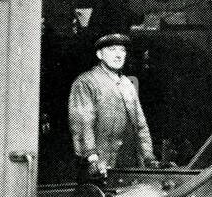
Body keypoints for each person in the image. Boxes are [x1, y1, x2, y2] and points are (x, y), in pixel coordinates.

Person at [68, 32, 158, 178]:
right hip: (100, 165)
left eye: (122, 50)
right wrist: (91, 157)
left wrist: (149, 157)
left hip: (130, 163)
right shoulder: (86, 82)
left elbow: (141, 124)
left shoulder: (127, 84)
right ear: (99, 54)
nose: (118, 55)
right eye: (112, 50)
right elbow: (83, 123)